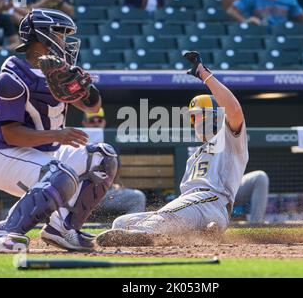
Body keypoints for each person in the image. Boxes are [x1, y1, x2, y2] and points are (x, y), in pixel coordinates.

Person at [0, 8, 118, 253]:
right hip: (4, 156)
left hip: (46, 154)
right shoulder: (10, 79)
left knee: (103, 157)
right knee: (60, 174)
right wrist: (57, 135)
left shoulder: (57, 72)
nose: (65, 40)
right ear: (42, 36)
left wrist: (83, 85)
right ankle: (2, 233)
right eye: (61, 33)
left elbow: (92, 107)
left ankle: (62, 228)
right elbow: (11, 134)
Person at [96, 51, 248, 247]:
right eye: (193, 117)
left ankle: (144, 236)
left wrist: (205, 75)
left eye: (201, 115)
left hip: (212, 201)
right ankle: (201, 232)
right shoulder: (194, 155)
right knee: (122, 222)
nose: (195, 121)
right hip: (191, 206)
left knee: (163, 216)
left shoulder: (229, 138)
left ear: (217, 115)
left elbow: (234, 109)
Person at [82, 108, 147, 221]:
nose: (96, 123)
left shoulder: (110, 142)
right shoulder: (78, 141)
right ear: (84, 123)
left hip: (105, 194)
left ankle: (129, 229)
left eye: (99, 120)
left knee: (138, 197)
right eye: (92, 121)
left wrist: (115, 183)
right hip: (80, 193)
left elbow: (116, 169)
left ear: (104, 122)